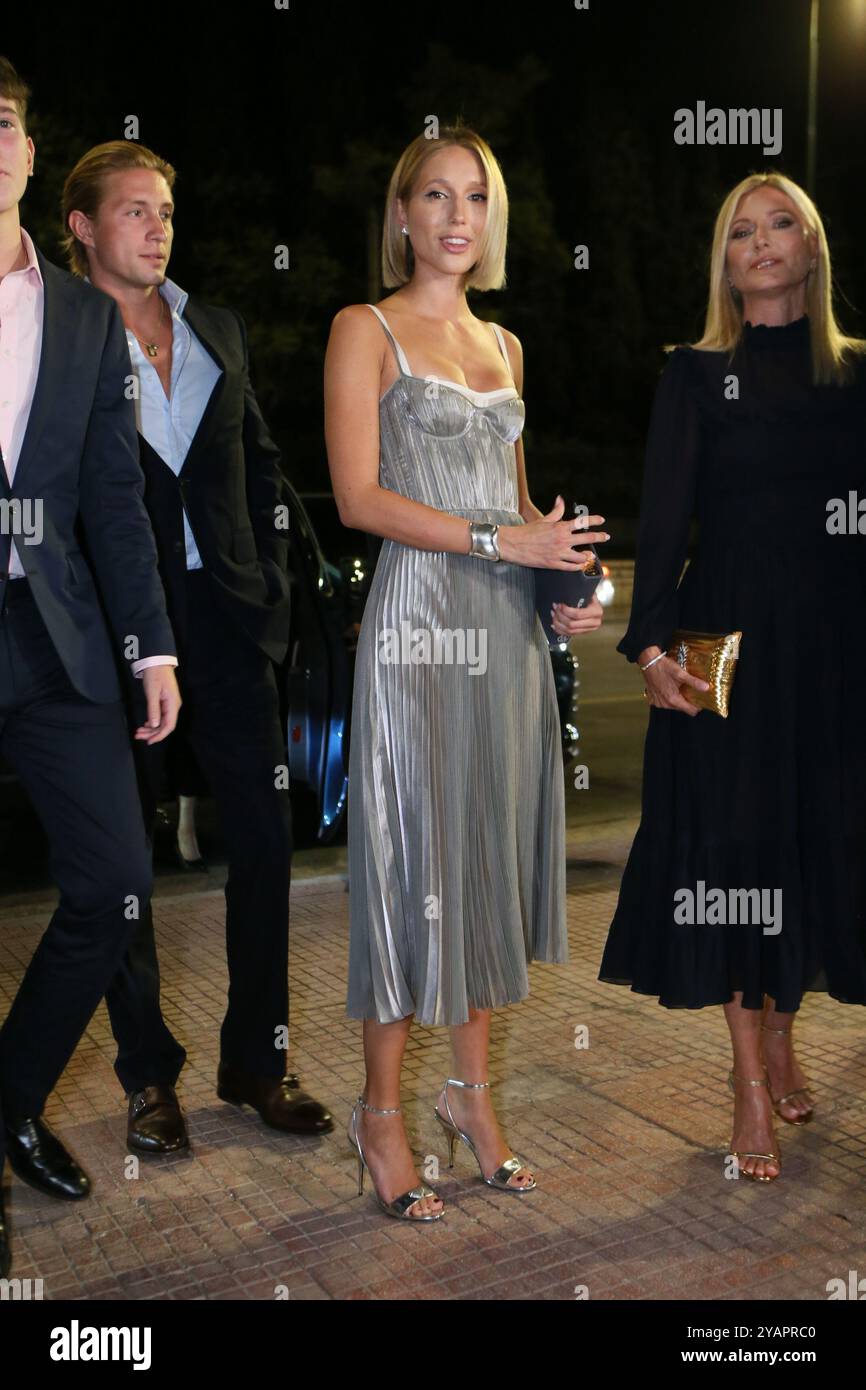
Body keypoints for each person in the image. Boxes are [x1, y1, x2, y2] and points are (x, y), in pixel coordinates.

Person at [324, 127, 606, 1220]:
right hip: (419, 621)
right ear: (399, 215)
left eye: (475, 197)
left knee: (483, 858)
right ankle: (381, 1116)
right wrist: (501, 546)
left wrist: (565, 583)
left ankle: (468, 1098)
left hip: (503, 637)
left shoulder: (507, 345)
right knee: (410, 860)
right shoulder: (366, 328)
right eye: (433, 194)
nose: (456, 214)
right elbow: (359, 499)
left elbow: (522, 506)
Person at [64, 141, 333, 1154]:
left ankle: (256, 1061)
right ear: (83, 227)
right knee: (123, 863)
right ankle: (148, 1078)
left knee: (263, 846)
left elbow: (259, 466)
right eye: (132, 209)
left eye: (165, 208)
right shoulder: (60, 338)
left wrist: (264, 588)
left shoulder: (216, 327)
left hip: (225, 625)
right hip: (110, 634)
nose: (156, 223)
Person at [599, 172, 866, 1182]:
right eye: (740, 231)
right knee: (735, 863)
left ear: (810, 246)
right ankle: (748, 1084)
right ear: (723, 258)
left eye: (780, 223)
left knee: (820, 852)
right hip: (730, 655)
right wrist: (651, 647)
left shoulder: (853, 374)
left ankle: (782, 1032)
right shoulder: (692, 375)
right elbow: (661, 524)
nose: (760, 242)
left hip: (836, 659)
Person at [0, 59, 181, 1276]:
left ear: (25, 147)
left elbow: (113, 500)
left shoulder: (80, 317)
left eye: (1, 121)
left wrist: (151, 641)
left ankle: (10, 1095)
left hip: (56, 640)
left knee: (116, 884)